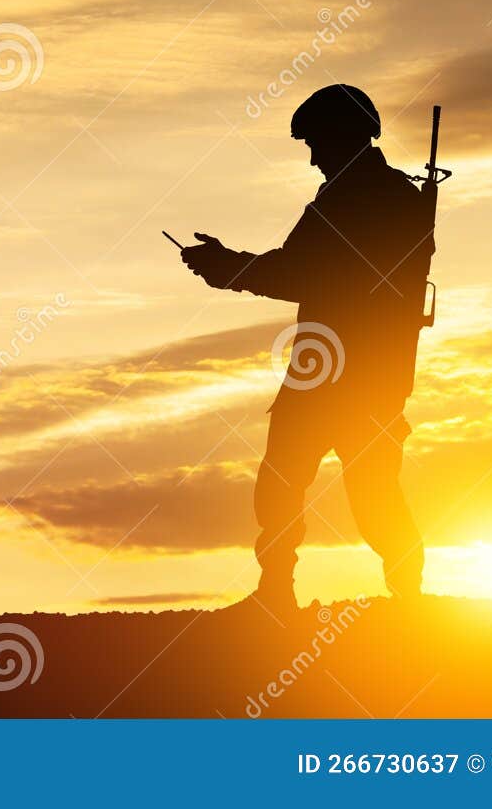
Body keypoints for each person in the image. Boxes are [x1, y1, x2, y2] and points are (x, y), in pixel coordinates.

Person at [180, 84, 431, 609]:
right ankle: (404, 598)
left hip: (339, 375)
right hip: (364, 376)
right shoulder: (382, 196)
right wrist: (232, 266)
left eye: (316, 142)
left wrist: (229, 268)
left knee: (323, 487)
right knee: (359, 491)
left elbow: (302, 273)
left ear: (343, 135)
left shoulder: (357, 198)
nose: (313, 156)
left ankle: (286, 596)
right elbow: (305, 270)